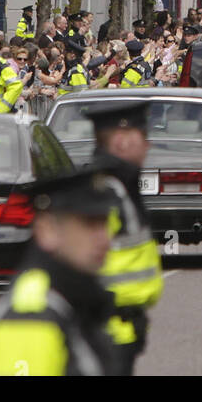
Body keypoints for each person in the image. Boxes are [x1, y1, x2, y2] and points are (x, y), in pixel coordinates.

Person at [0, 165, 122, 375]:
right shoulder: (31, 314)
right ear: (47, 230)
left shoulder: (71, 299)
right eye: (89, 224)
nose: (105, 239)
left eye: (104, 223)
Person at [84, 100, 164, 375]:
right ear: (121, 141)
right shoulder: (103, 194)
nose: (148, 145)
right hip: (104, 333)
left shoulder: (121, 186)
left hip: (120, 328)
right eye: (144, 137)